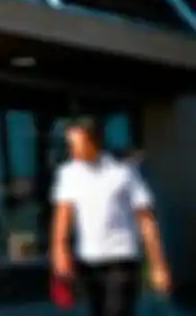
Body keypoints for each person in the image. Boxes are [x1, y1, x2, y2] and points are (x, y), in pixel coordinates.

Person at [51, 117, 171, 316]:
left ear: (94, 141)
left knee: (116, 312)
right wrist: (60, 251)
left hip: (122, 259)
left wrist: (158, 265)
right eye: (69, 145)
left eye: (77, 145)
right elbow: (63, 215)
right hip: (89, 261)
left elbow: (146, 220)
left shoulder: (124, 171)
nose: (72, 151)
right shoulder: (68, 174)